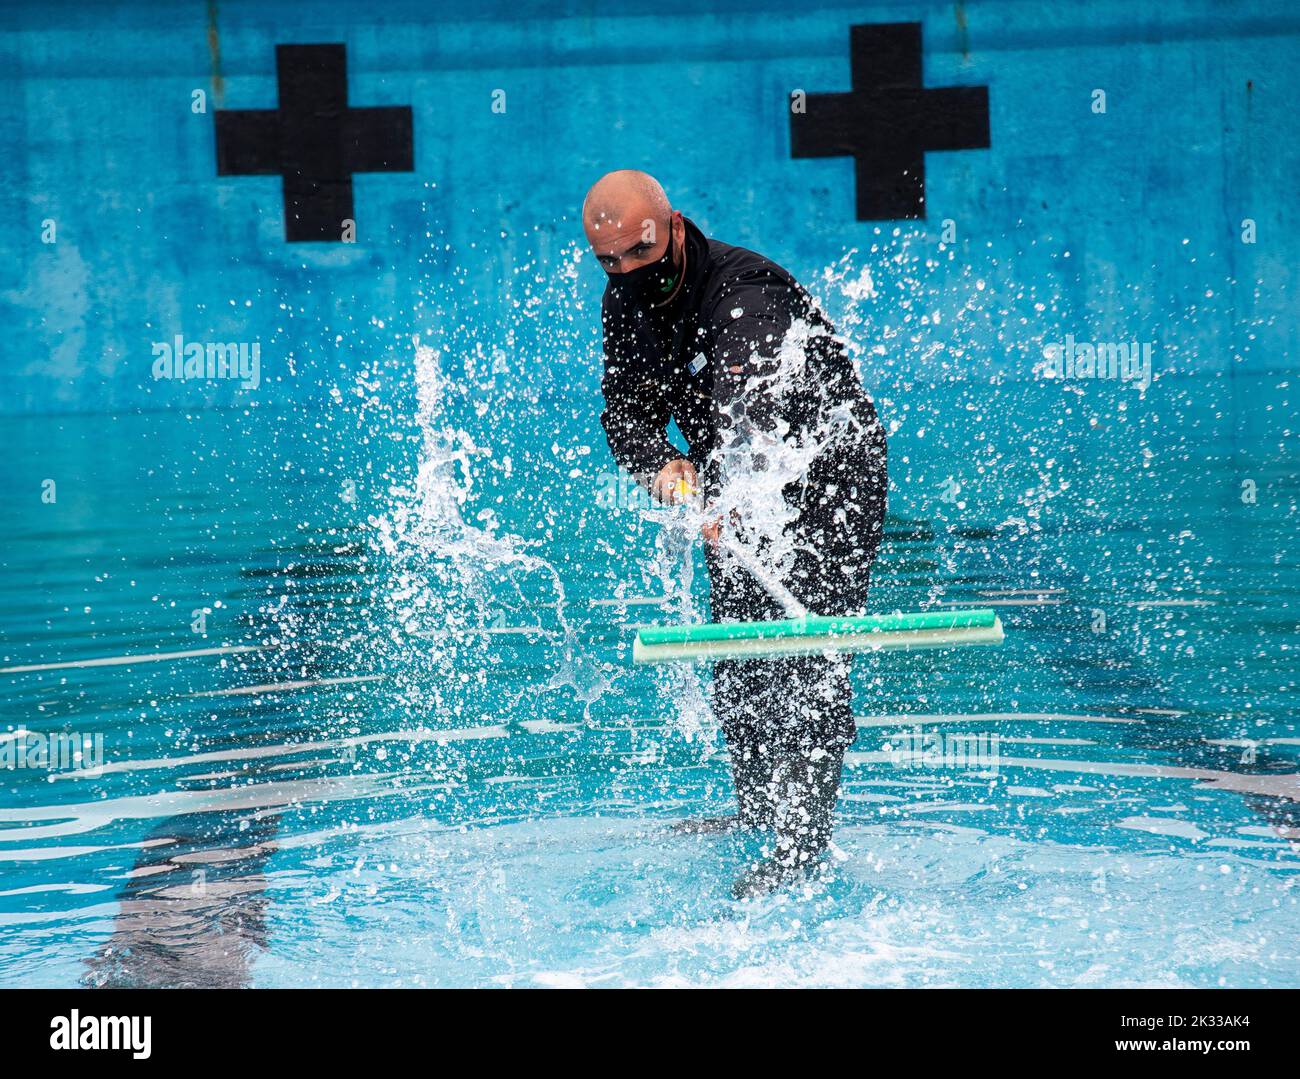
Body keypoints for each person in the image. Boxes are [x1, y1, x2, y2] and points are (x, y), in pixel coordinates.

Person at [583, 170, 888, 898]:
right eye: (611, 261)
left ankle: (802, 846)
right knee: (741, 653)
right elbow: (623, 414)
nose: (628, 273)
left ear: (675, 227)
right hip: (738, 485)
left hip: (830, 480)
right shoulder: (625, 301)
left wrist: (726, 489)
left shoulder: (744, 288)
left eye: (640, 252)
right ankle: (755, 809)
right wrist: (662, 465)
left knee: (804, 655)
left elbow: (751, 415)